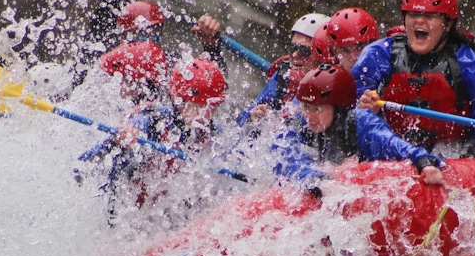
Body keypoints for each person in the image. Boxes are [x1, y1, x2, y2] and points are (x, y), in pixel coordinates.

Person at [350, 0, 475, 156]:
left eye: (430, 16)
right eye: (413, 15)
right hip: (394, 153)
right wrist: (366, 110)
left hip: (459, 156)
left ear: (448, 25)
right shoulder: (378, 56)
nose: (419, 21)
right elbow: (350, 119)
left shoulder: (471, 62)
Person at [78, 57, 228, 216]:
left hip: (165, 213)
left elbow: (234, 156)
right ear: (178, 100)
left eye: (213, 108)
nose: (206, 115)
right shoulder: (151, 121)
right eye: (199, 106)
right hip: (126, 213)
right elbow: (85, 161)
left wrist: (252, 124)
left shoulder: (211, 129)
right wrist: (116, 141)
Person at [271, 64, 444, 186]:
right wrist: (314, 179)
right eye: (306, 106)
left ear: (339, 108)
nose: (309, 115)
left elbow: (392, 143)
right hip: (321, 180)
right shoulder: (298, 122)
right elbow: (285, 157)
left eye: (317, 109)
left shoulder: (360, 121)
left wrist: (422, 159)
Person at [234, 12, 331, 125]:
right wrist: (251, 117)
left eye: (304, 50)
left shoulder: (331, 88)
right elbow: (240, 122)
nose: (294, 55)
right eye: (292, 48)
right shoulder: (284, 74)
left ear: (323, 55)